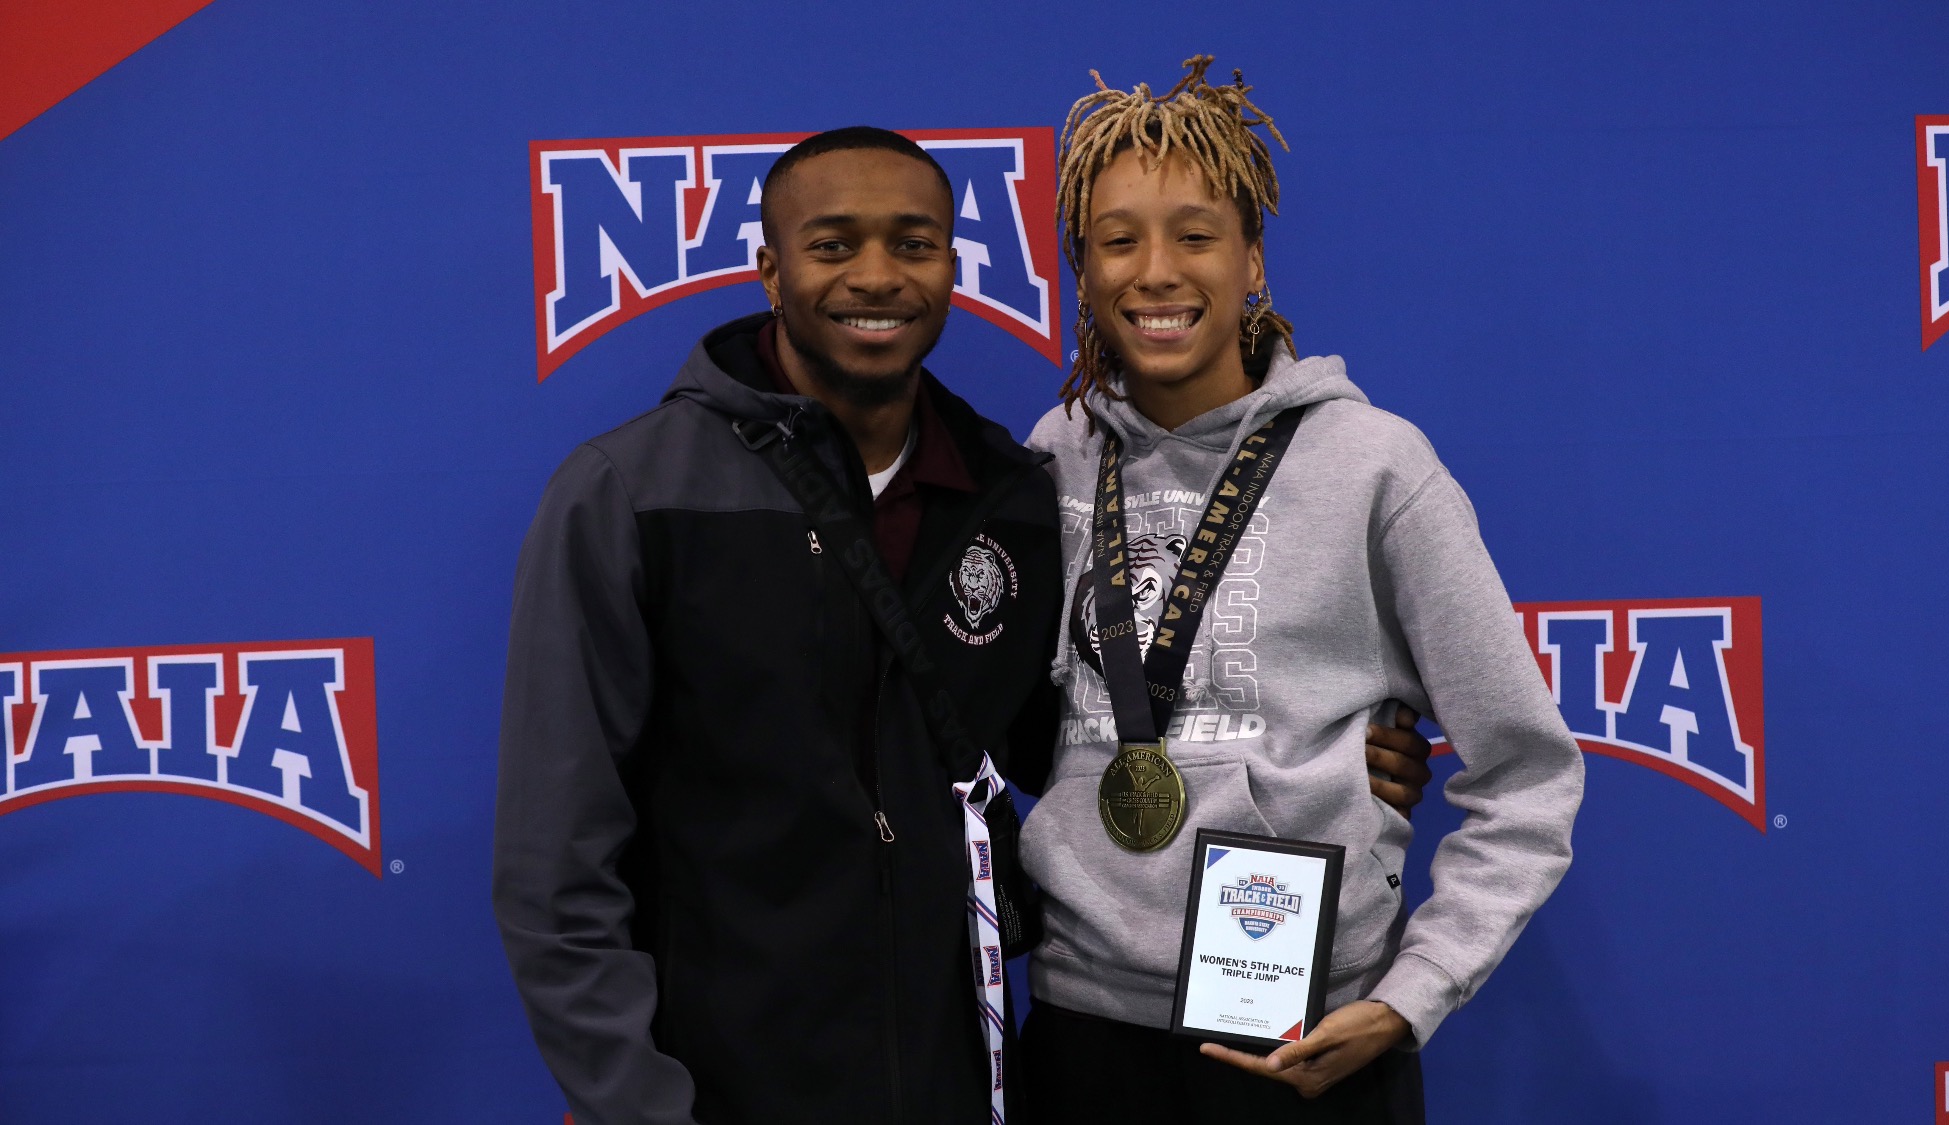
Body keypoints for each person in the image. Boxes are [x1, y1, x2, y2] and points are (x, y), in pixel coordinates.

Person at [492, 124, 1442, 1125]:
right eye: (830, 246)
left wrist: (1324, 753)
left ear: (953, 266)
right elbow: (556, 866)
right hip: (713, 1090)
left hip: (961, 1083)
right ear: (768, 270)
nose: (875, 277)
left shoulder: (1006, 491)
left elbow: (1071, 737)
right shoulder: (630, 496)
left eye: (912, 244)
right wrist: (635, 1105)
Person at [1017, 58, 1587, 1124]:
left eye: (1194, 235)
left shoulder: (1373, 465)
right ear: (1080, 272)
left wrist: (1408, 1000)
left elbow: (1525, 776)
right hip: (1079, 1036)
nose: (1156, 272)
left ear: (1252, 260)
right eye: (1117, 239)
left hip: (1302, 1043)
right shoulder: (1050, 458)